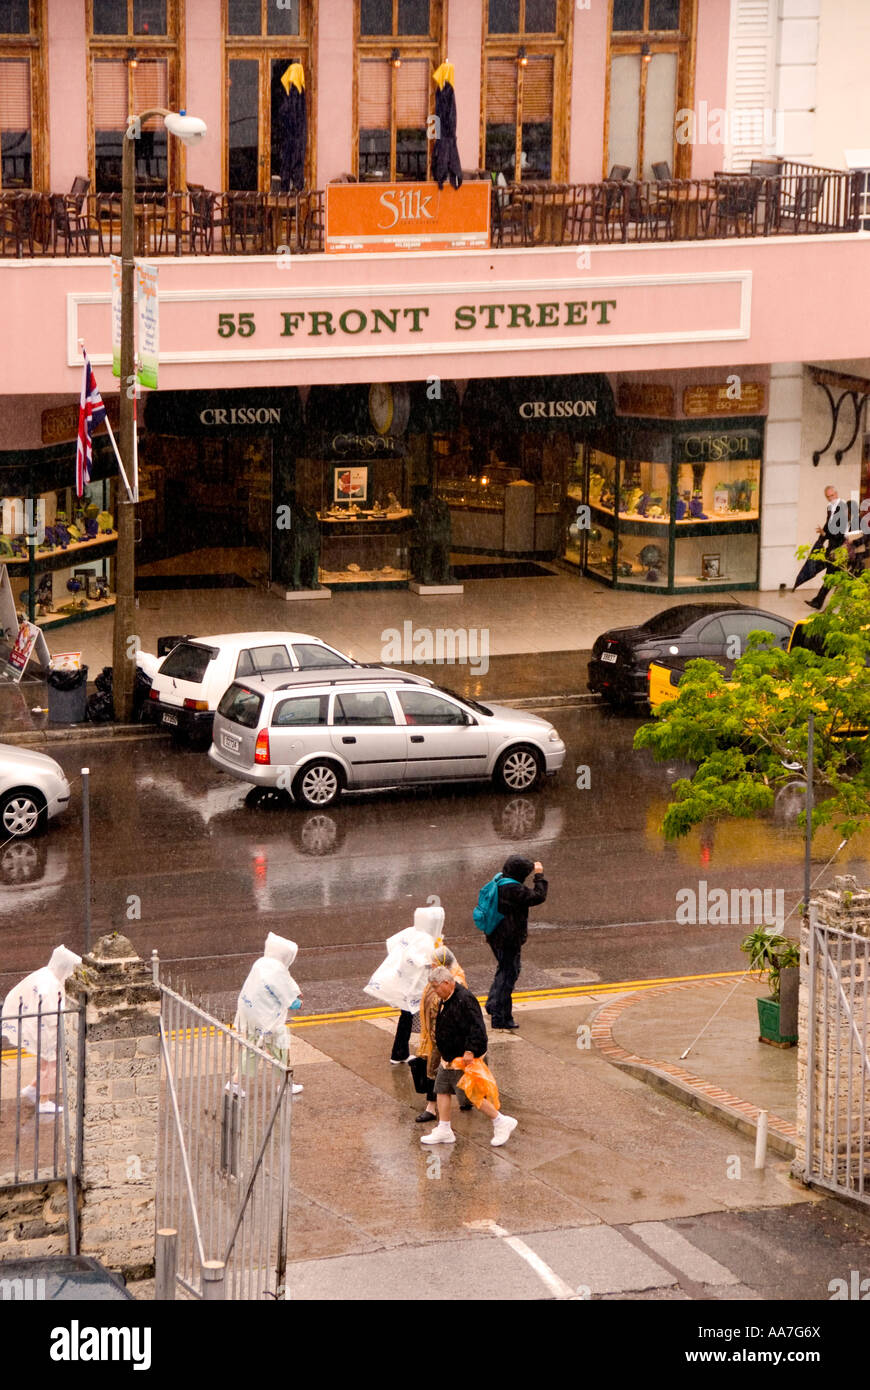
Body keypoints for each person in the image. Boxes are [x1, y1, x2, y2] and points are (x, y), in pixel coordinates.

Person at [421, 966, 517, 1148]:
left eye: (435, 987)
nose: (434, 991)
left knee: (473, 1095)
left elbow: (478, 1028)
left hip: (461, 1059)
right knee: (441, 1089)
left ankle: (501, 1121)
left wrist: (470, 1051)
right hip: (449, 1058)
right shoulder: (446, 997)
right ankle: (444, 1129)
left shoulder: (465, 999)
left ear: (447, 983)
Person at [2, 945, 81, 1115]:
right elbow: (53, 1013)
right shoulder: (51, 986)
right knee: (51, 1066)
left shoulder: (44, 973)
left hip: (37, 1028)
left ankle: (32, 1088)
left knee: (45, 1063)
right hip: (46, 1031)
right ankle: (44, 1101)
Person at [234, 932, 304, 1095]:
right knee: (281, 1049)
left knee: (251, 1050)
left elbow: (280, 983)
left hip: (251, 1015)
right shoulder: (277, 970)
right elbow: (287, 997)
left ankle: (234, 1083)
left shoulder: (262, 963)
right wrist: (298, 1002)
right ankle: (285, 1084)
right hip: (268, 1020)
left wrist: (294, 990)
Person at [485, 855, 548, 1031]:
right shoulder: (513, 888)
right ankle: (500, 1017)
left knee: (505, 970)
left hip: (496, 935)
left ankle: (492, 1004)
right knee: (508, 977)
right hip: (508, 939)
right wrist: (539, 876)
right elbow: (538, 896)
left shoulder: (500, 881)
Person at [414, 943, 473, 1123]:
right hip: (437, 1037)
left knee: (437, 1074)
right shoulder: (439, 979)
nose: (431, 965)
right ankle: (465, 1099)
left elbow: (467, 1019)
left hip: (446, 1039)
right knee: (445, 1076)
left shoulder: (454, 985)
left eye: (434, 962)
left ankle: (433, 1109)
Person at [389, 904, 445, 1065]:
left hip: (409, 985)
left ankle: (400, 1053)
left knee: (407, 1018)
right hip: (416, 988)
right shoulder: (424, 940)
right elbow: (418, 959)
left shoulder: (413, 935)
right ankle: (421, 1051)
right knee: (427, 1018)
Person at [804, 485, 848, 610]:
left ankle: (820, 601)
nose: (830, 498)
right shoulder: (831, 508)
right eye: (828, 497)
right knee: (834, 576)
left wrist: (826, 535)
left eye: (832, 495)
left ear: (836, 493)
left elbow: (840, 532)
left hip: (839, 548)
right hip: (834, 546)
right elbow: (829, 525)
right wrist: (823, 534)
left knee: (833, 576)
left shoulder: (842, 508)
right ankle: (819, 601)